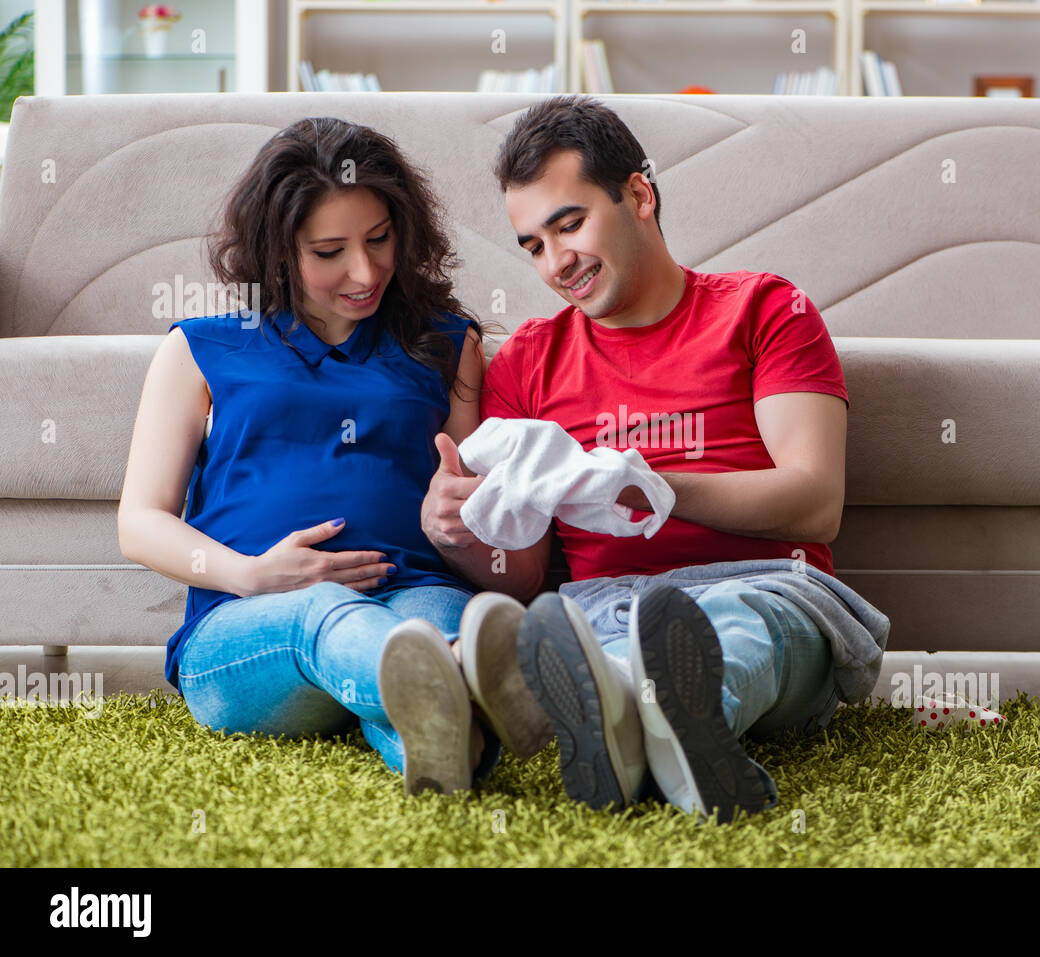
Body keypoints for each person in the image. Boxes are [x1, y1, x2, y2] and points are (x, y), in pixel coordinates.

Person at [424, 95, 889, 823]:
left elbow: (813, 502)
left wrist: (643, 486)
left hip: (769, 591)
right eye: (533, 245)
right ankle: (632, 725)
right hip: (600, 611)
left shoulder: (765, 310)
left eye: (569, 224)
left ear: (638, 194)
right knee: (565, 625)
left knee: (724, 625)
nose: (557, 263)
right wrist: (463, 529)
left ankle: (647, 712)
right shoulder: (528, 363)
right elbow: (519, 570)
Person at [118, 116, 503, 797]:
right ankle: (457, 685)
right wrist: (253, 575)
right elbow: (140, 521)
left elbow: (473, 506)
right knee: (325, 616)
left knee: (438, 626)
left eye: (380, 239)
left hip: (416, 595)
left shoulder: (445, 342)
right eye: (330, 251)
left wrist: (470, 519)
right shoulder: (200, 347)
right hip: (253, 632)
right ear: (275, 250)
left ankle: (443, 743)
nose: (365, 271)